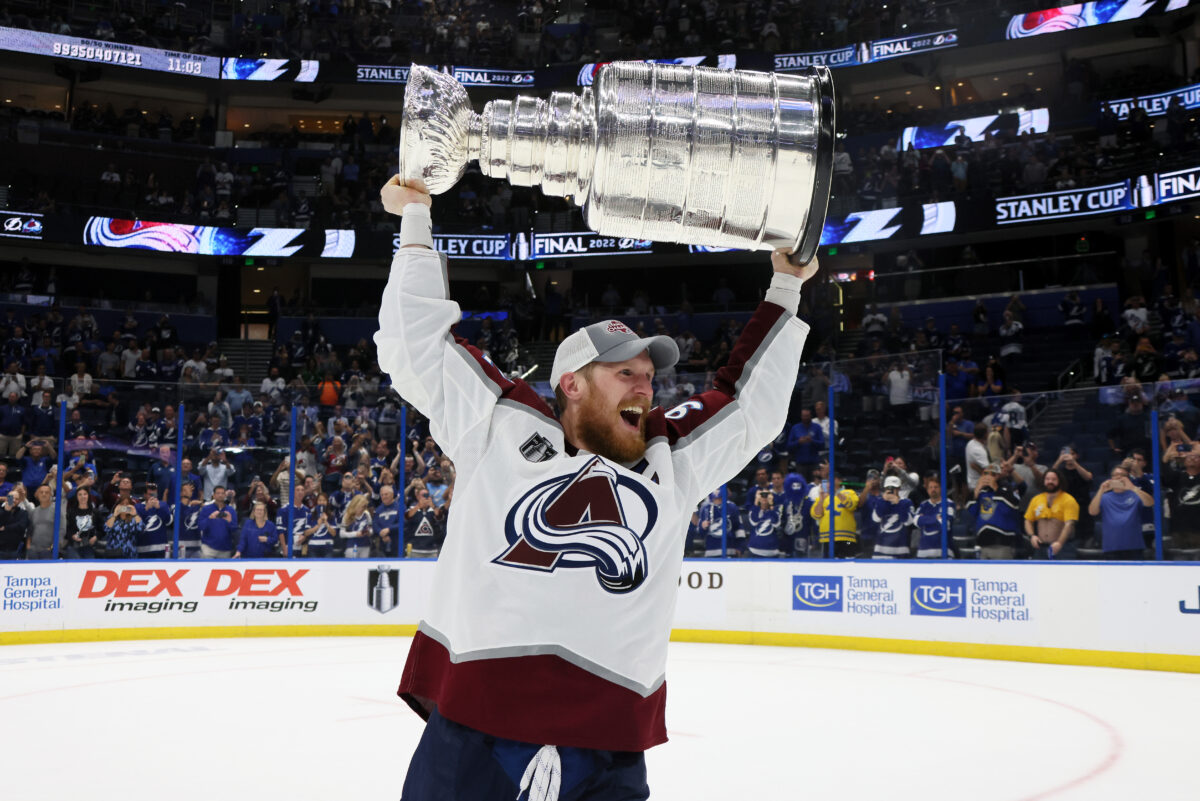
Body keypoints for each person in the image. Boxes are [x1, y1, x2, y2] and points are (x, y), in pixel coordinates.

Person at [377, 176, 814, 799]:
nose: (645, 385)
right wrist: (416, 218)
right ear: (572, 385)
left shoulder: (674, 454)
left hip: (609, 748)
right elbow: (415, 346)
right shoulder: (499, 422)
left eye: (648, 373)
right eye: (624, 372)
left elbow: (750, 403)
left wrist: (787, 284)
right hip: (473, 732)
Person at [1088, 466, 1153, 560]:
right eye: (1116, 475)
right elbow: (1092, 511)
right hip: (1111, 547)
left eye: (1123, 475)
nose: (1119, 477)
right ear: (1111, 478)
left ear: (1128, 478)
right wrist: (1101, 490)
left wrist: (1132, 487)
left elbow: (1150, 502)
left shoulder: (1135, 494)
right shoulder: (1104, 497)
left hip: (1134, 547)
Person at [967, 463, 1023, 559]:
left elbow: (1010, 509)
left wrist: (996, 489)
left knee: (1002, 574)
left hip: (1003, 544)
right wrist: (975, 493)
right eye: (985, 474)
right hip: (982, 544)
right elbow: (971, 514)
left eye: (992, 474)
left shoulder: (1008, 488)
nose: (988, 477)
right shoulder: (982, 492)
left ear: (999, 475)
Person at [1023, 469, 1080, 559]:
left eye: (1054, 479)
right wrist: (1032, 536)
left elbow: (1069, 524)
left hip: (1063, 548)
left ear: (1060, 481)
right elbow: (1028, 520)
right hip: (1040, 547)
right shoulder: (1036, 499)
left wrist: (1060, 543)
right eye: (1047, 479)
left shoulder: (1068, 500)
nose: (1050, 481)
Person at [870, 475, 913, 558]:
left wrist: (898, 503)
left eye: (894, 488)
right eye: (888, 488)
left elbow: (908, 522)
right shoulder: (880, 501)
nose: (891, 490)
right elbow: (875, 519)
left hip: (900, 549)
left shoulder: (906, 502)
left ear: (899, 488)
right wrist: (884, 501)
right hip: (880, 549)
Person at [914, 476, 953, 559]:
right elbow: (916, 521)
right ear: (927, 490)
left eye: (936, 487)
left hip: (943, 553)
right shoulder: (923, 505)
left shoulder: (948, 503)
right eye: (930, 487)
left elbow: (946, 524)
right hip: (923, 552)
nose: (933, 489)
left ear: (941, 488)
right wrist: (936, 518)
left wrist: (924, 519)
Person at [65, 485, 104, 559]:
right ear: (76, 497)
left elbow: (102, 529)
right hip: (74, 546)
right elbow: (67, 530)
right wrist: (72, 536)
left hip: (90, 546)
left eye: (85, 494)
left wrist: (96, 537)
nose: (83, 496)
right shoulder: (71, 512)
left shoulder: (95, 512)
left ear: (88, 496)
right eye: (80, 494)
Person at [198, 486, 238, 558]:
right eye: (218, 493)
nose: (220, 495)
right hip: (208, 548)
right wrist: (210, 518)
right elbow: (201, 526)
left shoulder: (231, 510)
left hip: (225, 549)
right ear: (213, 495)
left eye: (222, 493)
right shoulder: (206, 509)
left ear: (225, 495)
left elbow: (234, 529)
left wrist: (229, 522)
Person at [25, 484, 61, 559]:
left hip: (49, 551)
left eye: (46, 492)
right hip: (33, 550)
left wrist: (54, 547)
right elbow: (30, 530)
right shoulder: (34, 511)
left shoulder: (57, 510)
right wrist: (28, 546)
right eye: (41, 492)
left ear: (51, 494)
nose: (44, 494)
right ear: (37, 494)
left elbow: (62, 529)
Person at [744, 487, 782, 557]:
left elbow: (776, 523)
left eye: (766, 495)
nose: (764, 497)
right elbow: (753, 522)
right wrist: (756, 502)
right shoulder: (754, 509)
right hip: (754, 551)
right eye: (762, 495)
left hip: (772, 552)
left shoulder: (776, 510)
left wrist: (771, 505)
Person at [340, 493, 373, 558]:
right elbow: (341, 534)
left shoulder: (366, 514)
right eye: (362, 506)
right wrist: (355, 534)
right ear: (356, 505)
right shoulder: (347, 515)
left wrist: (369, 532)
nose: (364, 508)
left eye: (365, 506)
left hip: (365, 545)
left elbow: (371, 528)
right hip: (352, 546)